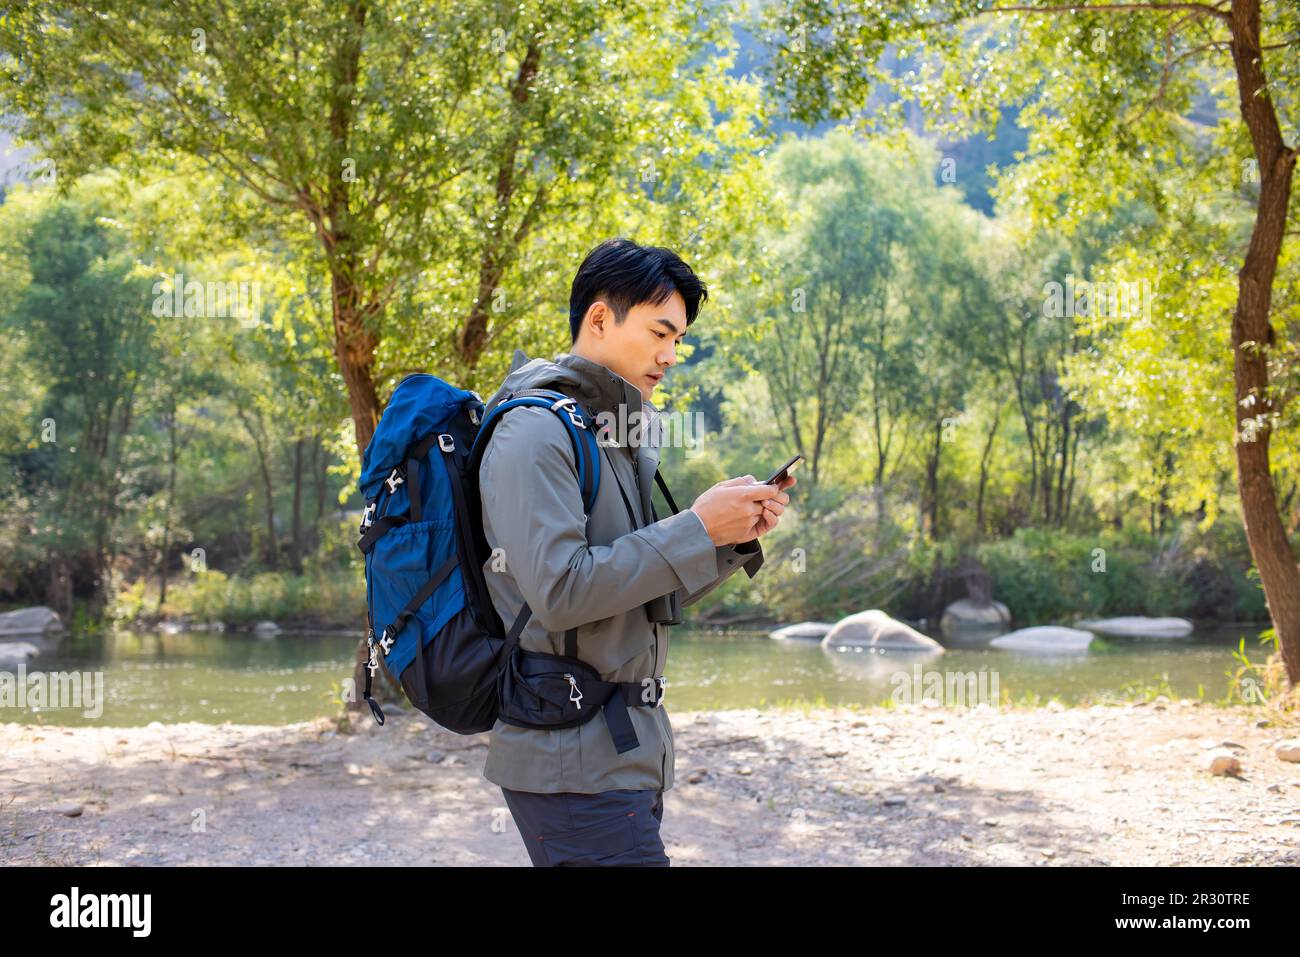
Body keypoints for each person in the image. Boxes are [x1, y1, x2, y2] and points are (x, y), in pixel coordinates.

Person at [476, 237, 795, 866]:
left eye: (678, 340)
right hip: (570, 759)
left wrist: (727, 538)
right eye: (659, 333)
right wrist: (696, 527)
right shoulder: (534, 430)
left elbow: (635, 595)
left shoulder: (608, 435)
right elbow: (562, 593)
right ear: (599, 319)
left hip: (622, 753)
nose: (670, 355)